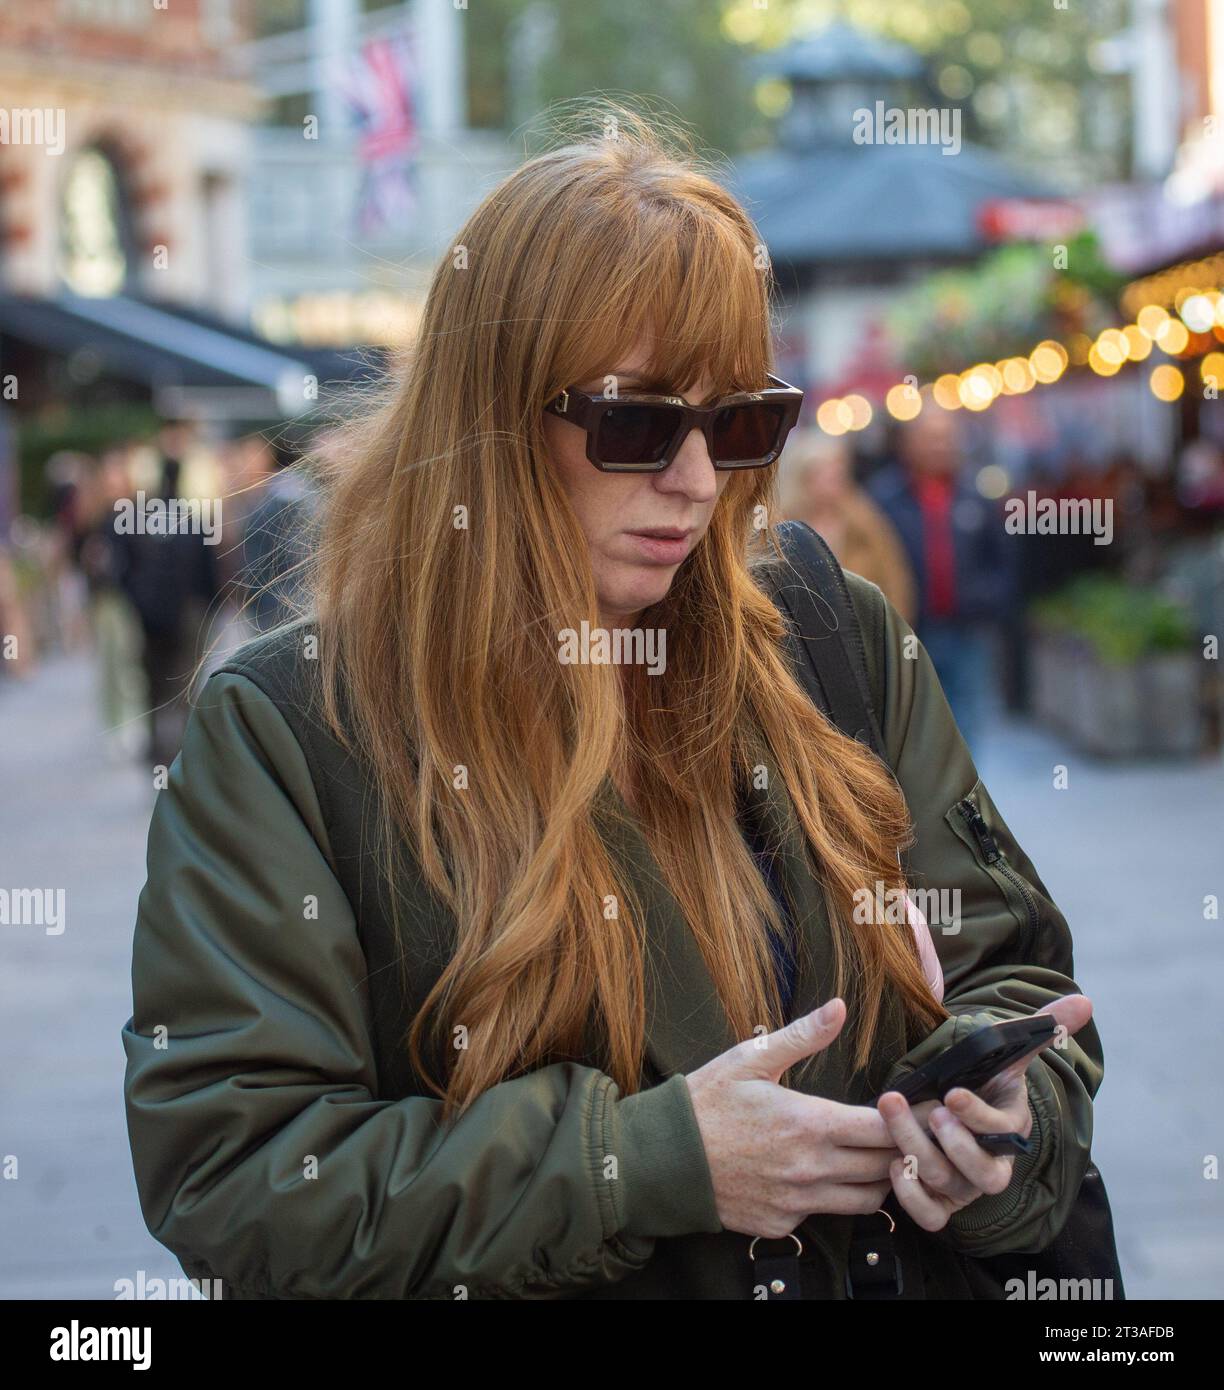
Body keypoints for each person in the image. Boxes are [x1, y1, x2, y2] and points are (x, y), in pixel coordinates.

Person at [122, 110, 1101, 1301]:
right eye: (636, 421)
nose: (695, 480)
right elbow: (234, 1177)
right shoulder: (294, 728)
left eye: (740, 422)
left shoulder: (826, 632)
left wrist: (1003, 1126)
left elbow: (1015, 976)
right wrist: (638, 1164)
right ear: (492, 424)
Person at [869, 410, 1016, 754]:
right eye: (932, 437)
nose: (941, 445)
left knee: (966, 718)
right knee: (914, 725)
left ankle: (966, 802)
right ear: (908, 444)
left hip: (967, 630)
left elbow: (1003, 561)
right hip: (908, 632)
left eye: (947, 437)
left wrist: (986, 601)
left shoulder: (976, 495)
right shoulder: (883, 499)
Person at [780, 430, 917, 625]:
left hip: (860, 631)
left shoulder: (864, 520)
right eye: (823, 472)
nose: (833, 479)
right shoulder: (784, 524)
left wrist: (893, 629)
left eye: (838, 470)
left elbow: (894, 576)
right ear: (804, 477)